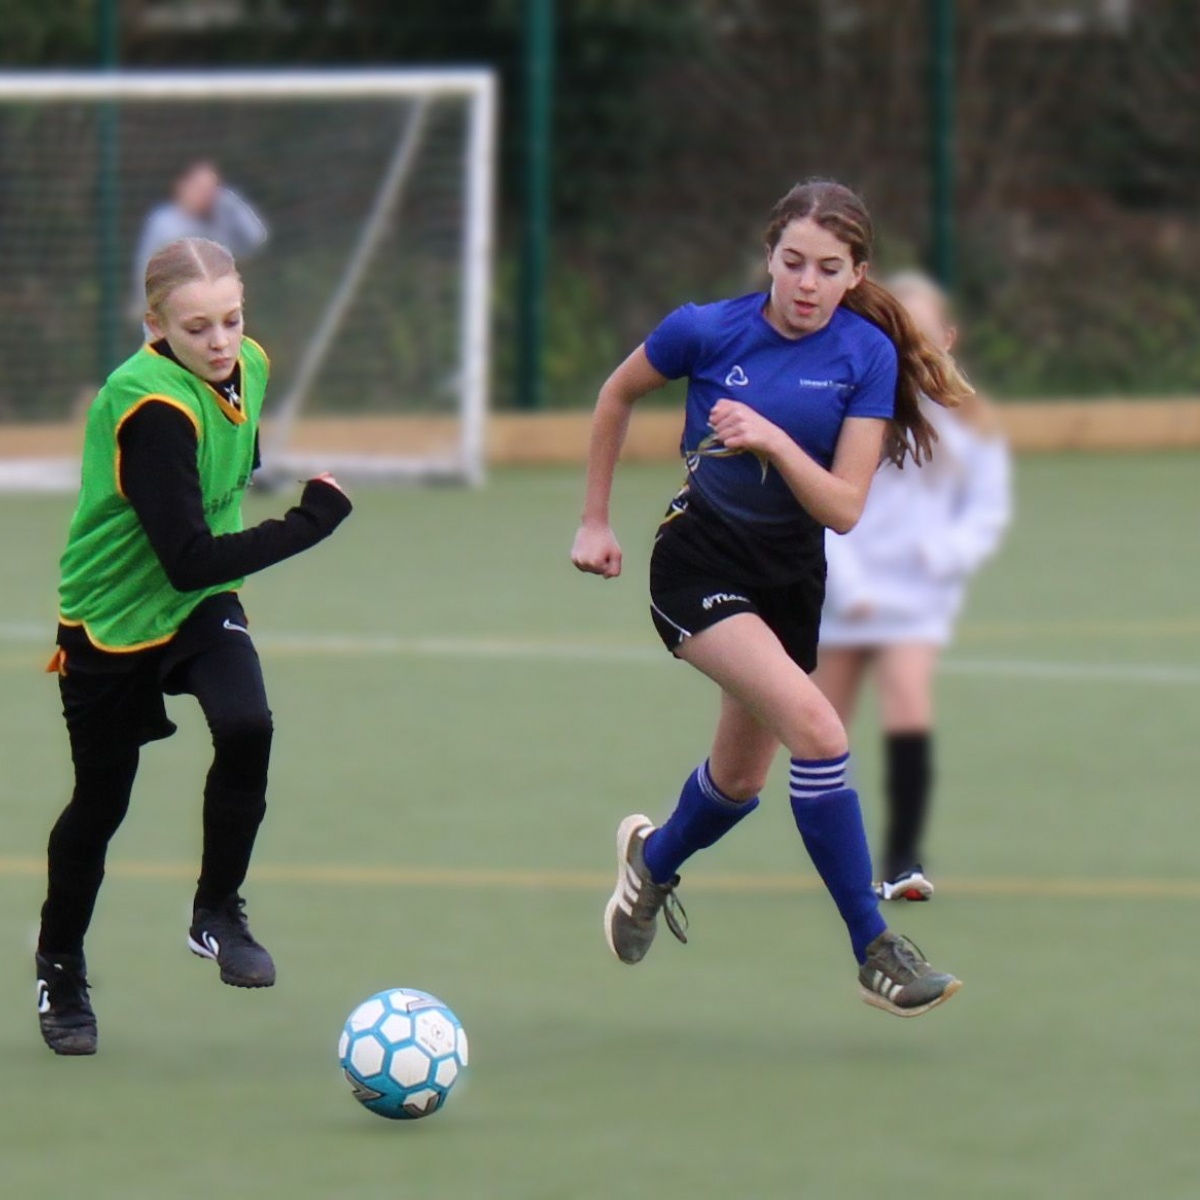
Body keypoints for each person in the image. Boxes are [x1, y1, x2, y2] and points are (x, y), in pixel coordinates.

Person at [571, 179, 973, 1018]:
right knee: (820, 732)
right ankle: (876, 950)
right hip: (697, 564)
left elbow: (843, 508)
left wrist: (775, 440)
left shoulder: (865, 357)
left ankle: (653, 864)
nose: (806, 284)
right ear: (769, 258)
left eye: (829, 268)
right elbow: (616, 394)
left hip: (791, 579)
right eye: (792, 262)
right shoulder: (706, 329)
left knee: (740, 781)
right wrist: (595, 520)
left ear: (857, 275)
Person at [36, 237, 353, 1056]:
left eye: (230, 320)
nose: (219, 342)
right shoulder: (151, 410)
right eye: (195, 328)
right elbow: (187, 557)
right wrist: (310, 522)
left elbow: (227, 491)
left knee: (248, 726)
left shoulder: (248, 365)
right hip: (110, 617)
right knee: (101, 803)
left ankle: (217, 912)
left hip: (199, 606)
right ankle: (59, 967)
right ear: (155, 327)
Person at [816, 270, 1012, 902]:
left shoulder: (971, 428)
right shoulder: (852, 407)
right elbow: (823, 505)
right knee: (821, 728)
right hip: (846, 594)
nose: (912, 347)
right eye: (899, 333)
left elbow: (985, 513)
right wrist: (849, 582)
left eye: (925, 334)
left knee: (907, 703)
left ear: (948, 338)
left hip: (918, 599)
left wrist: (942, 555)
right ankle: (836, 859)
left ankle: (903, 860)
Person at [130, 161, 268, 325]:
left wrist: (231, 201)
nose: (206, 195)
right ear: (182, 187)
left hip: (217, 309)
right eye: (200, 187)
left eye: (211, 189)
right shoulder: (165, 223)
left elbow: (257, 239)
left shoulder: (219, 219)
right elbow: (144, 268)